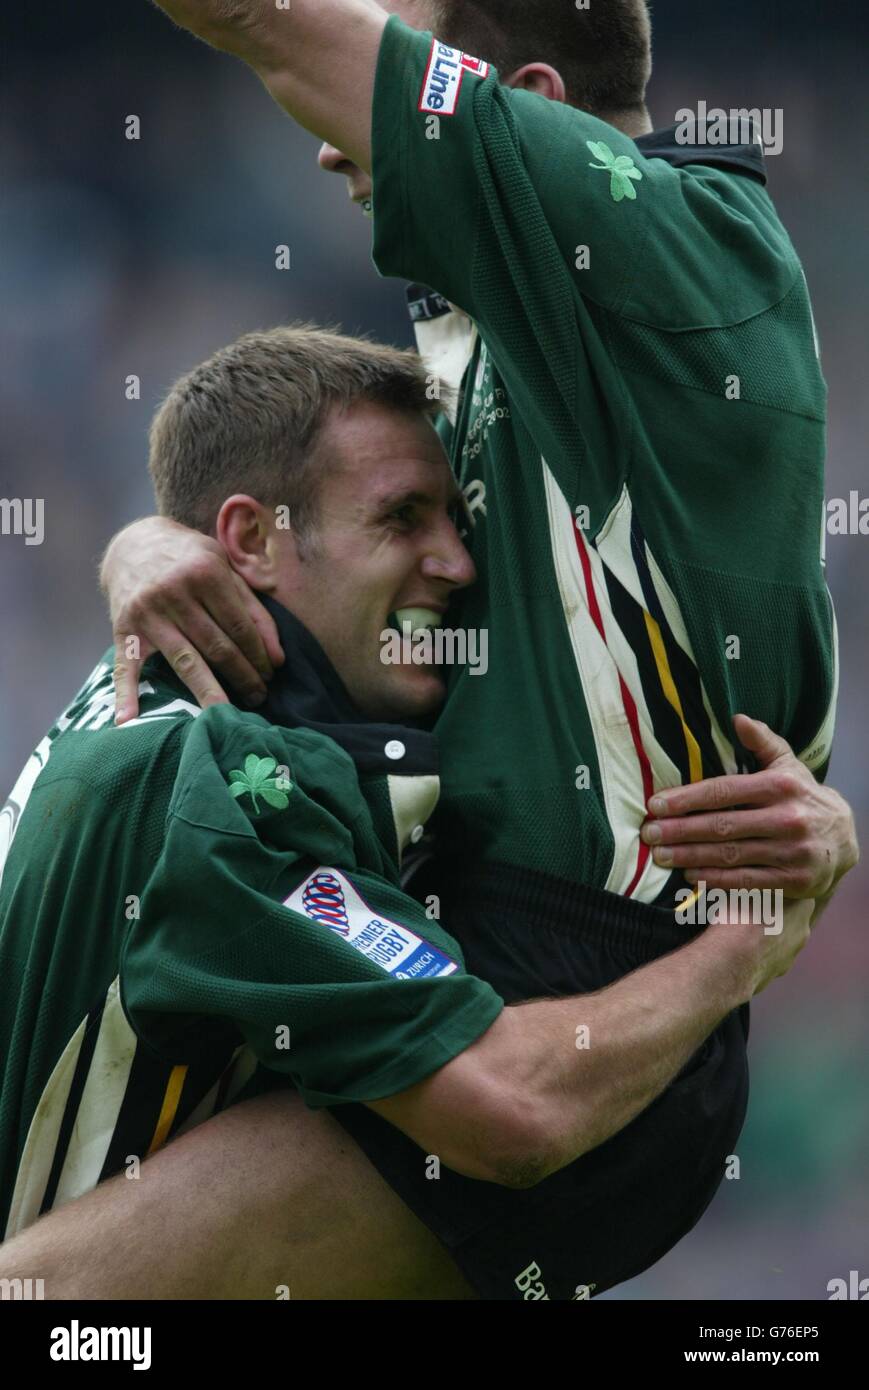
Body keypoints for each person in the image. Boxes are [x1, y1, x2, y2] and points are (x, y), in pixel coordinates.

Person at [8, 0, 858, 1300]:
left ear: (520, 105)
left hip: (575, 1001)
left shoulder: (666, 244)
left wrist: (754, 926)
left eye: (402, 59)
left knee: (41, 1292)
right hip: (516, 963)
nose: (331, 139)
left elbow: (265, 25)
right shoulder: (539, 351)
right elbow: (348, 571)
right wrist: (151, 543)